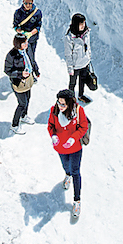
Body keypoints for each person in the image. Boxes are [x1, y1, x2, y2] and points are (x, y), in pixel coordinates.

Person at [49, 89, 91, 219]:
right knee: (66, 166)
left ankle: (77, 200)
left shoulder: (78, 112)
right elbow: (50, 125)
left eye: (63, 104)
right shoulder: (54, 110)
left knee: (75, 171)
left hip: (75, 148)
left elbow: (83, 127)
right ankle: (67, 175)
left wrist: (73, 138)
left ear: (70, 104)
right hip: (60, 148)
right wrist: (53, 135)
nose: (60, 106)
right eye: (58, 103)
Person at [5, 34, 35, 134]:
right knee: (22, 103)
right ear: (18, 44)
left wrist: (36, 71)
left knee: (28, 98)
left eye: (26, 42)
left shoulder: (27, 49)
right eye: (24, 43)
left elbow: (31, 61)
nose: (27, 44)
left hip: (28, 79)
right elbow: (7, 70)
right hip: (18, 82)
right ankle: (14, 125)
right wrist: (20, 74)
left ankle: (24, 115)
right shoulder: (12, 55)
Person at [64, 13, 93, 105]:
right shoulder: (69, 38)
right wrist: (70, 68)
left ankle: (81, 95)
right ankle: (70, 98)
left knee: (82, 80)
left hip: (85, 63)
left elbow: (88, 46)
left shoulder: (86, 32)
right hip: (75, 65)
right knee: (72, 83)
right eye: (81, 24)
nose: (83, 26)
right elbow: (68, 54)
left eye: (84, 23)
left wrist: (88, 57)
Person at [13, 0, 43, 77]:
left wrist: (30, 34)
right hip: (22, 39)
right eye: (26, 3)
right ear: (23, 2)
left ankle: (34, 71)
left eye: (30, 3)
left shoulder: (37, 13)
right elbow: (15, 25)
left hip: (32, 38)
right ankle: (29, 72)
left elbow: (38, 26)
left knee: (30, 55)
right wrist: (21, 32)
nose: (28, 5)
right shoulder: (18, 13)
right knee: (24, 57)